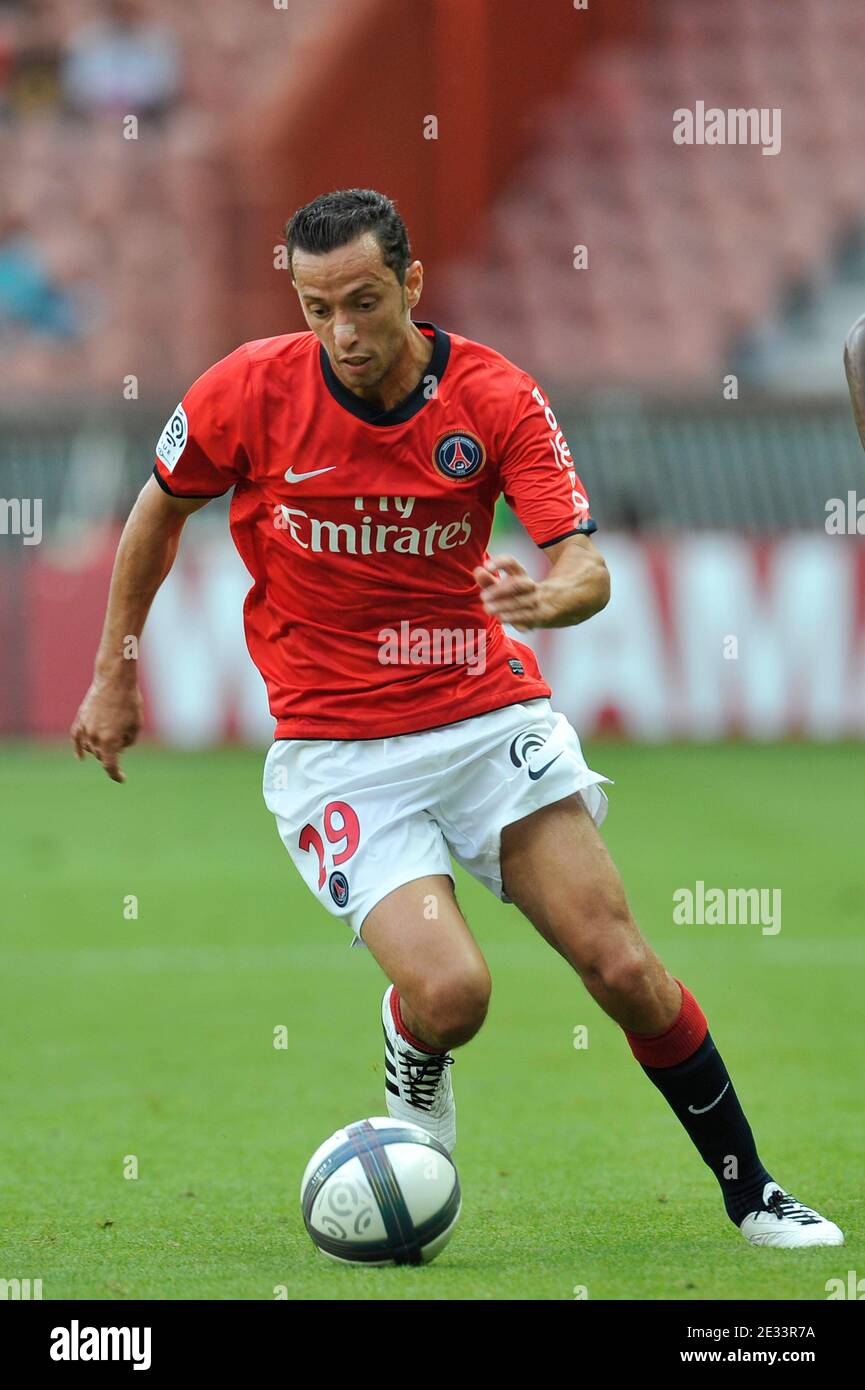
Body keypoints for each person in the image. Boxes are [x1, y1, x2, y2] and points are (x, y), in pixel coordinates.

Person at [72, 188, 842, 1249]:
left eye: (364, 301)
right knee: (455, 993)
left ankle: (752, 1191)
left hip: (484, 721)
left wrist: (549, 595)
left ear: (412, 286)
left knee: (621, 966)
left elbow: (586, 565)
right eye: (317, 307)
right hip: (338, 754)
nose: (342, 332)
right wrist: (117, 669)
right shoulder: (245, 390)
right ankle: (411, 1040)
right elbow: (158, 508)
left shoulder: (494, 396)